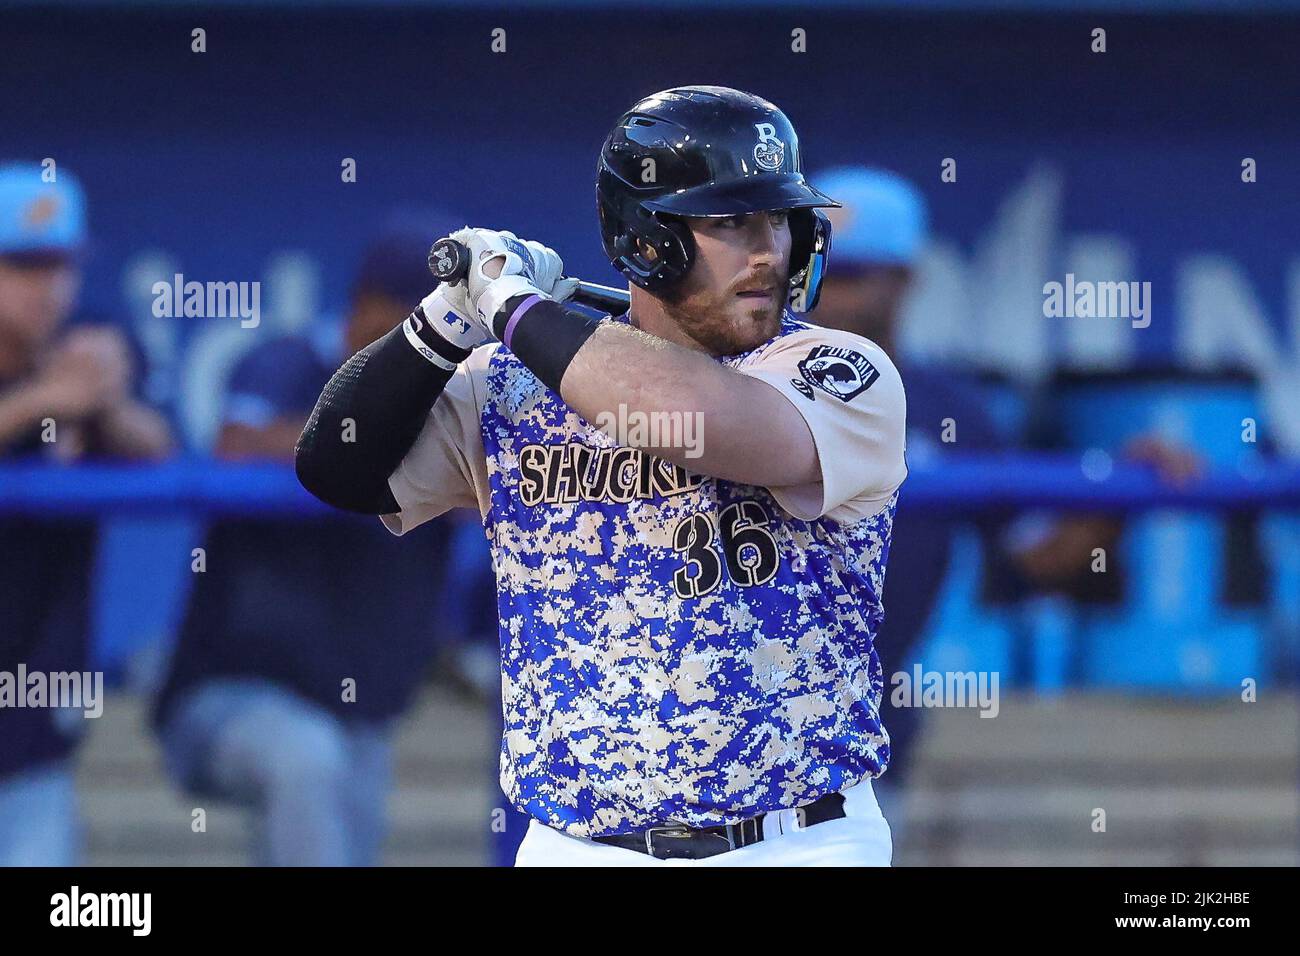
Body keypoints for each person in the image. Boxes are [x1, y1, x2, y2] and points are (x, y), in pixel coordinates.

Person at [296, 86, 907, 866]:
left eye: (775, 220)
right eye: (728, 222)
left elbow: (684, 418)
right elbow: (338, 467)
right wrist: (446, 319)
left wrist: (513, 306)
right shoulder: (513, 385)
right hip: (580, 846)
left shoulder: (836, 367)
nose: (767, 252)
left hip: (795, 840)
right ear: (649, 240)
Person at [152, 228, 456, 866]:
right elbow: (236, 444)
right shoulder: (289, 363)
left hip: (362, 711)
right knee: (304, 759)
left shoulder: (459, 393)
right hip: (231, 694)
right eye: (420, 315)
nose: (440, 340)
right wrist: (377, 441)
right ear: (368, 307)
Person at [0, 162, 172, 866]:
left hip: (31, 711)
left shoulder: (93, 338)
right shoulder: (55, 378)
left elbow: (158, 449)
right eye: (25, 265)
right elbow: (46, 404)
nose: (51, 288)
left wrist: (101, 401)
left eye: (61, 265)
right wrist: (41, 402)